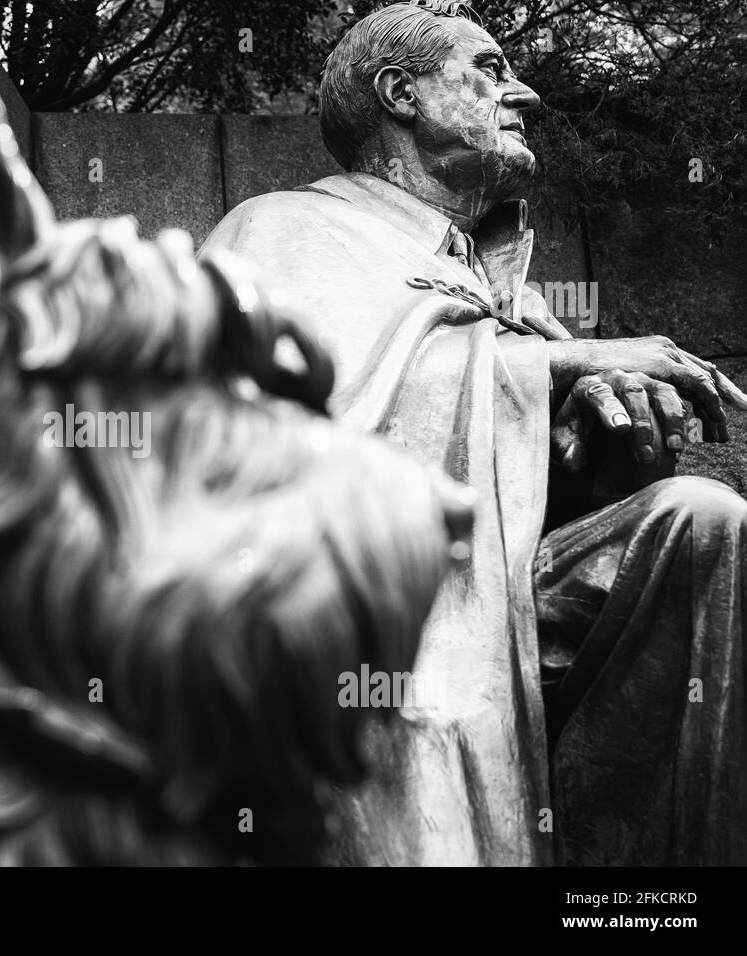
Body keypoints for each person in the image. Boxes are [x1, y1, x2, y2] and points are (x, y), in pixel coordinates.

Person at [200, 0, 747, 865]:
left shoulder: (513, 292)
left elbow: (534, 485)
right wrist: (548, 371)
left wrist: (595, 443)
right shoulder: (284, 229)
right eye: (489, 69)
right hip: (374, 615)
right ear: (400, 93)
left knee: (698, 521)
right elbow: (276, 429)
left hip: (513, 593)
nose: (521, 91)